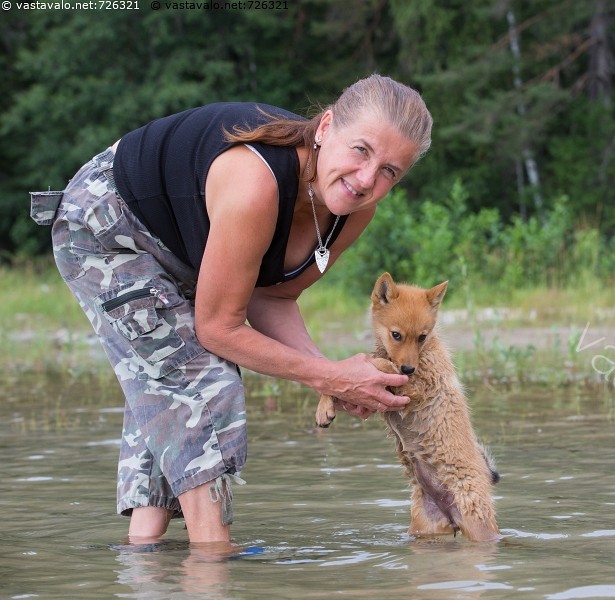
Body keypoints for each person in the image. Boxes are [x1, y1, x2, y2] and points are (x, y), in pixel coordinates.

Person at [31, 74, 432, 545]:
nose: (367, 180)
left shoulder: (354, 209)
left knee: (168, 383)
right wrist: (326, 377)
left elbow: (271, 295)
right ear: (325, 127)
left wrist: (330, 370)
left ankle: (144, 558)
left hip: (180, 247)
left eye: (390, 171)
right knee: (204, 377)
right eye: (361, 151)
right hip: (104, 226)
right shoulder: (254, 183)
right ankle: (213, 562)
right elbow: (218, 328)